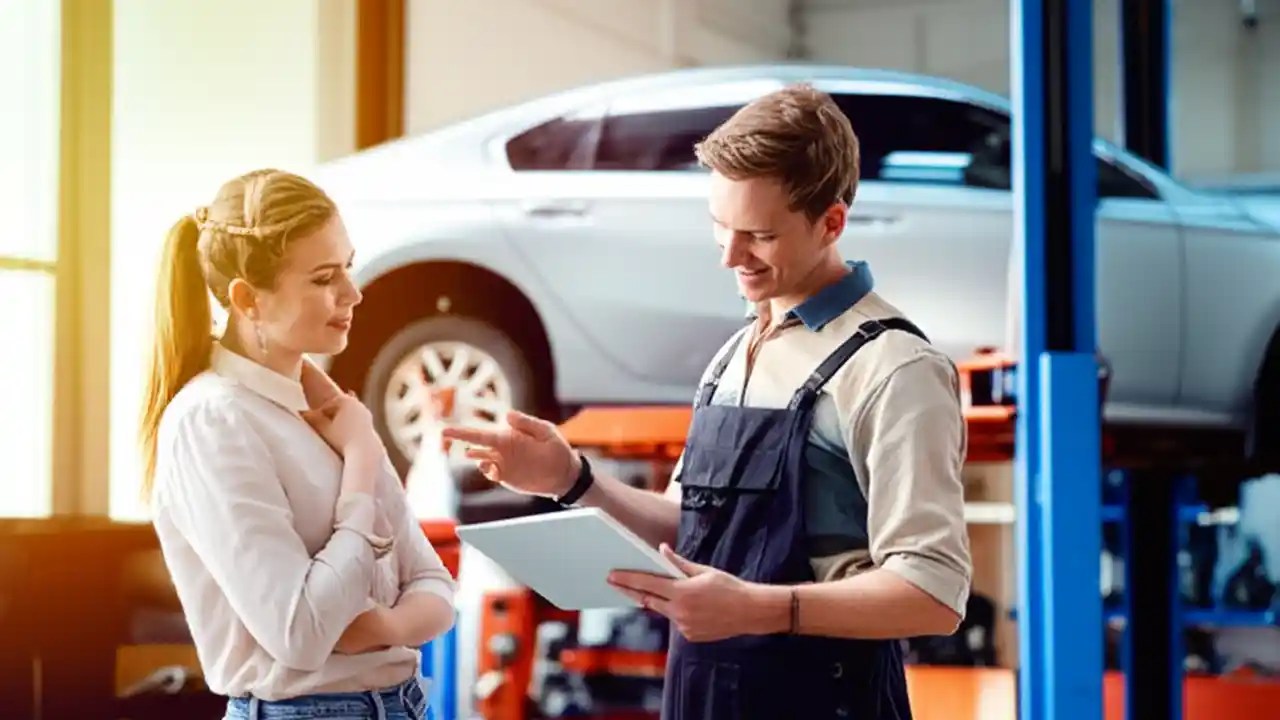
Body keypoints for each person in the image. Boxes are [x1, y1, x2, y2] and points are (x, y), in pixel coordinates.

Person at [443, 84, 973, 719]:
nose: (729, 256)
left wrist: (761, 608)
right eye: (720, 228)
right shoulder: (734, 357)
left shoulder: (893, 369)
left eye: (759, 236)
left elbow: (933, 592)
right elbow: (689, 526)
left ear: (832, 222)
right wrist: (573, 479)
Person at [140, 169, 456, 720]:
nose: (352, 294)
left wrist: (383, 627)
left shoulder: (328, 409)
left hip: (404, 705)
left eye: (349, 267)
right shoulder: (214, 421)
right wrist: (360, 459)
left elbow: (435, 585)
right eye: (323, 278)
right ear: (248, 299)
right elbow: (301, 634)